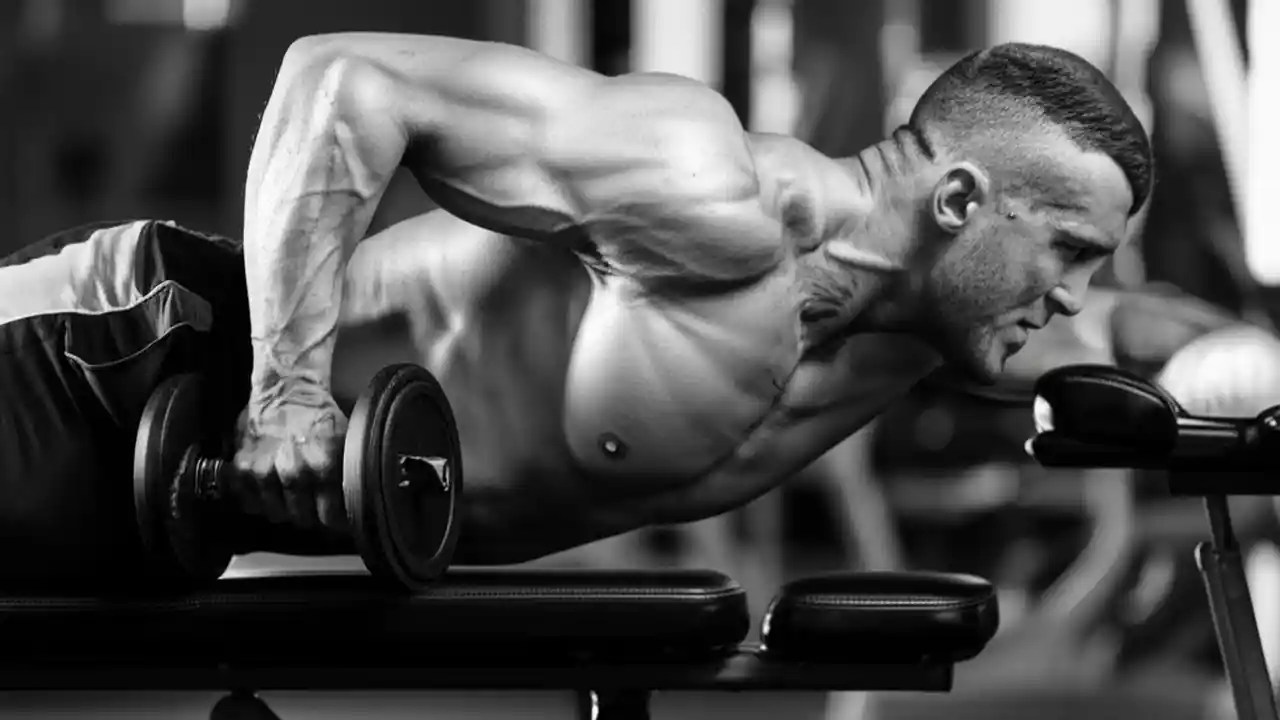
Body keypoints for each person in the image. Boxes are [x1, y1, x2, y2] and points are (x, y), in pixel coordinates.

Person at [0, 37, 1175, 586]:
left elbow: (1119, 333)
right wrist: (285, 397)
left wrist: (1234, 363)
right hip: (120, 360)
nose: (1070, 288)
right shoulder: (707, 192)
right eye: (1066, 248)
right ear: (960, 199)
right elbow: (342, 80)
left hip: (181, 515)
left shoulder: (921, 337)